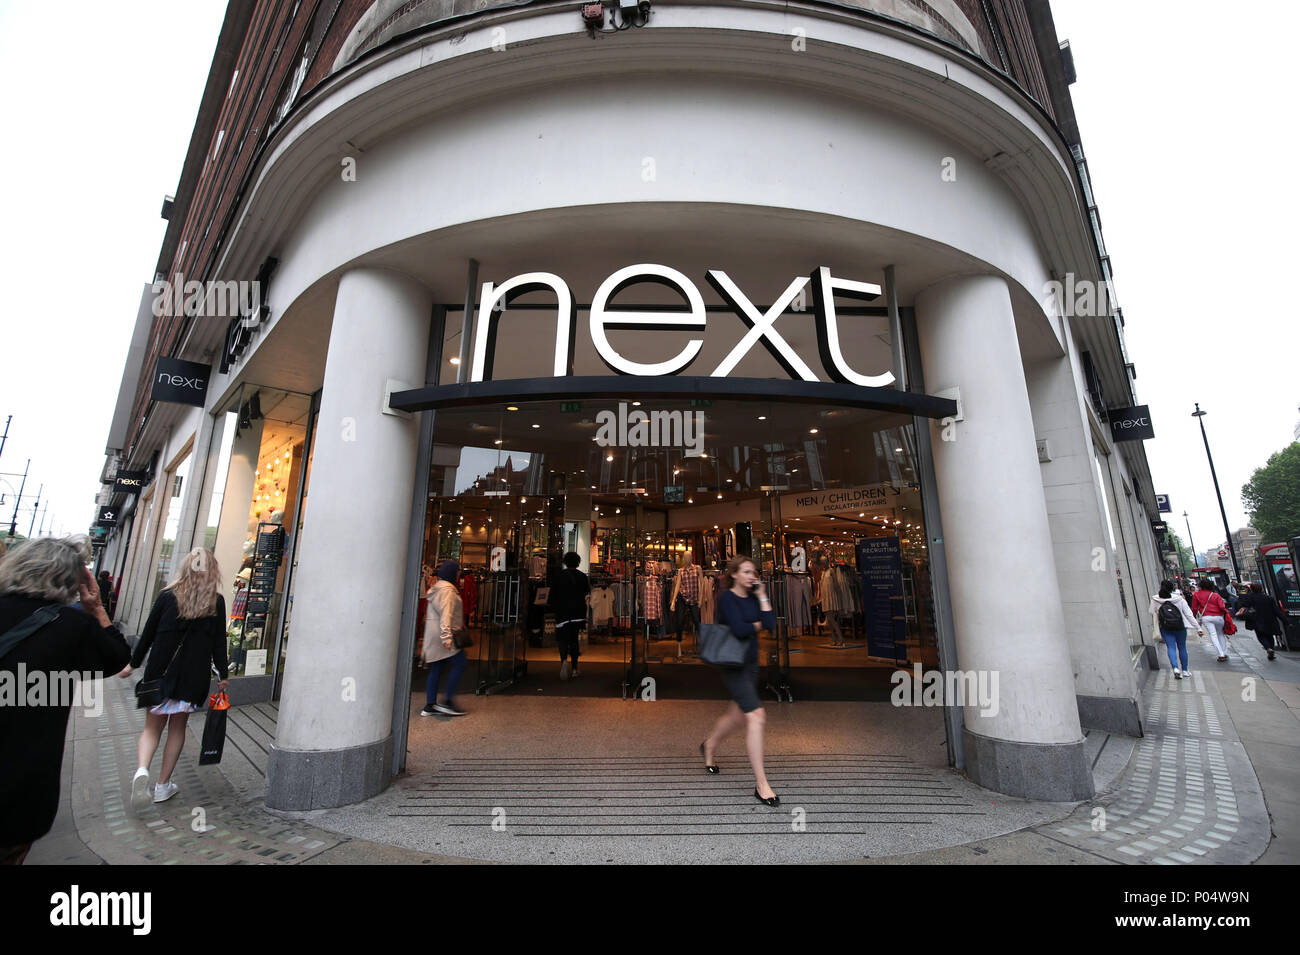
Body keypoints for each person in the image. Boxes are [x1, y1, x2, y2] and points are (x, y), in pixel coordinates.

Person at [0, 537, 131, 864]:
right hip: (20, 788)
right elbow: (117, 658)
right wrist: (97, 608)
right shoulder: (71, 626)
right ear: (72, 579)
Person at [122, 548, 229, 810]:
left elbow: (147, 636)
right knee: (177, 729)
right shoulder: (216, 602)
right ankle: (162, 785)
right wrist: (223, 675)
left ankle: (142, 770)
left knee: (151, 729)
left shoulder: (166, 597)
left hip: (159, 675)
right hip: (192, 678)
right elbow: (219, 644)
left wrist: (132, 665)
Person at [700, 555, 779, 806]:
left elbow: (770, 623)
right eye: (746, 572)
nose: (751, 576)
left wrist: (763, 595)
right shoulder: (727, 598)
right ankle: (762, 784)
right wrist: (757, 623)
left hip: (751, 663)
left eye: (753, 572)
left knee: (736, 715)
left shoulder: (755, 597)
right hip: (732, 664)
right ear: (734, 574)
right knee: (756, 716)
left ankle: (709, 745)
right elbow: (739, 629)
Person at [421, 559, 468, 717]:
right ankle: (448, 702)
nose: (459, 574)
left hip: (433, 634)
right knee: (460, 662)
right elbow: (446, 614)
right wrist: (447, 637)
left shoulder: (438, 588)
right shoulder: (448, 591)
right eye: (457, 572)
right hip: (444, 635)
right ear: (452, 574)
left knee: (437, 667)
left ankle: (430, 705)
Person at [550, 551, 590, 680]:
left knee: (562, 638)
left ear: (565, 562)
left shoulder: (559, 576)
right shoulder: (582, 576)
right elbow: (586, 593)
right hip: (578, 611)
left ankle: (563, 661)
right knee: (574, 639)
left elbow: (552, 595)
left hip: (562, 611)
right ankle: (574, 668)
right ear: (578, 562)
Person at [1149, 579, 1200, 679]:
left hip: (1165, 627)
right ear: (1172, 588)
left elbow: (1151, 612)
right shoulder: (1179, 599)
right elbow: (1189, 615)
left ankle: (1175, 668)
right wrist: (1198, 628)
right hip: (1180, 627)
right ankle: (1185, 670)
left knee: (1171, 647)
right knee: (1182, 648)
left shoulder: (1155, 599)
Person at [1238, 583, 1286, 661]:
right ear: (1261, 589)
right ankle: (1271, 648)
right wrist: (1286, 621)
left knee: (1260, 635)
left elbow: (1243, 605)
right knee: (1270, 635)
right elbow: (1277, 611)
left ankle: (1268, 648)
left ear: (1252, 589)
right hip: (1269, 619)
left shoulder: (1250, 598)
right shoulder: (1269, 598)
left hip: (1256, 619)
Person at [1191, 578, 1231, 662]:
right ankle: (1224, 652)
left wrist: (1194, 617)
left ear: (1201, 586)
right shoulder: (1215, 595)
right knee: (1220, 634)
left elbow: (1195, 608)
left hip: (1206, 617)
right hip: (1219, 617)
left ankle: (1220, 654)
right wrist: (1226, 613)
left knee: (1213, 635)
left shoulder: (1196, 595)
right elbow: (1221, 607)